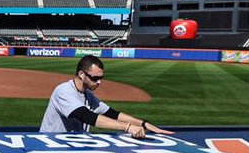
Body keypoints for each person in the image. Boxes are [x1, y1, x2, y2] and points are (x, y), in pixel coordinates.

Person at [40, 55, 174, 138]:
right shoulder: (64, 91)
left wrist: (144, 124)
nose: (99, 82)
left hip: (69, 145)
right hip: (49, 144)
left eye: (101, 78)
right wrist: (128, 127)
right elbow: (86, 116)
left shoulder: (88, 95)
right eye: (95, 78)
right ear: (81, 74)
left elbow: (112, 113)